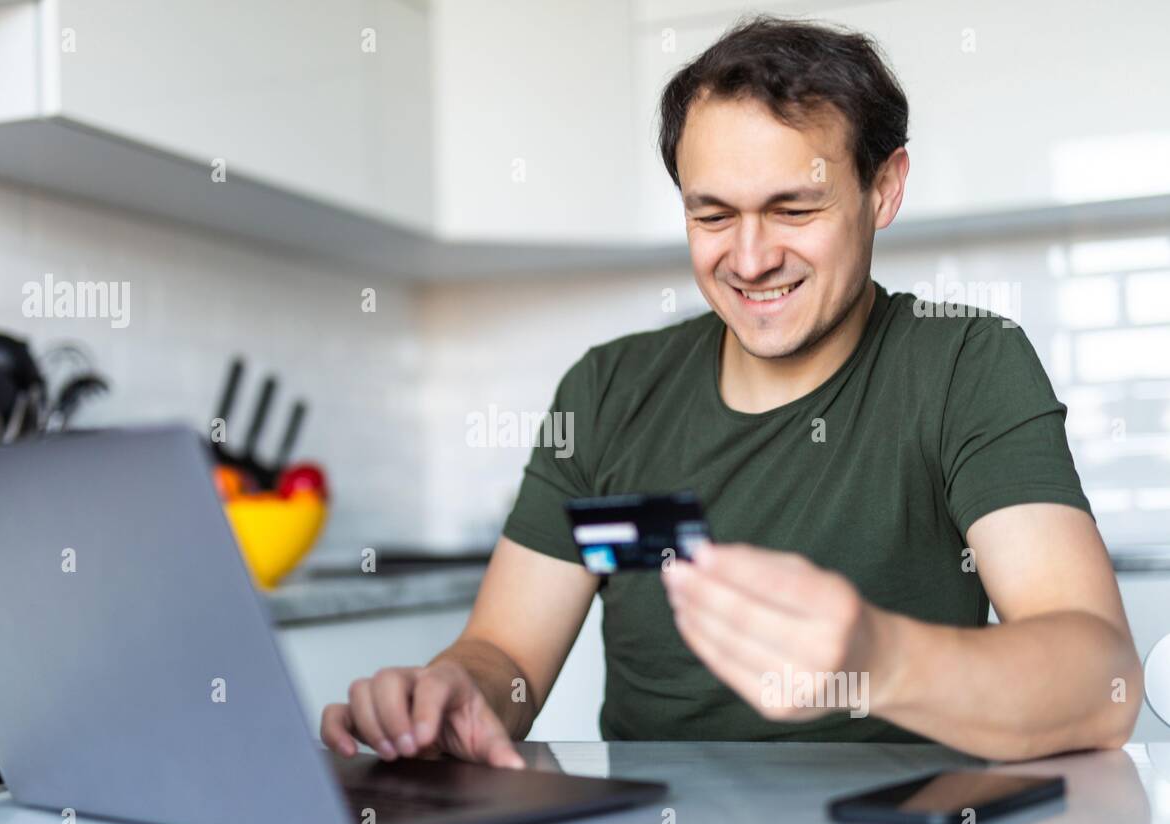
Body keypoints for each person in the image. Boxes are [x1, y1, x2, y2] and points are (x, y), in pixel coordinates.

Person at [321, 15, 1142, 767]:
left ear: (883, 189)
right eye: (712, 216)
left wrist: (878, 659)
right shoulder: (607, 391)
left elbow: (1100, 679)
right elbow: (504, 655)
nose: (749, 260)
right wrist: (454, 693)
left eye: (793, 208)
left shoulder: (965, 363)